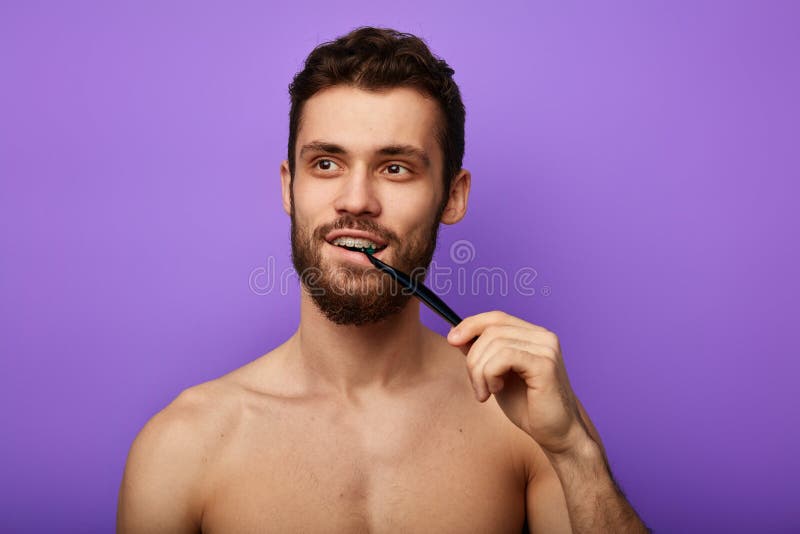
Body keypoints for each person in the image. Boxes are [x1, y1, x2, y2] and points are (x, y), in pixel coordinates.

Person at [117, 26, 649, 533]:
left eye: (395, 168)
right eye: (326, 164)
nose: (356, 201)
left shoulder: (526, 422)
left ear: (454, 196)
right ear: (289, 186)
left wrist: (574, 452)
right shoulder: (184, 446)